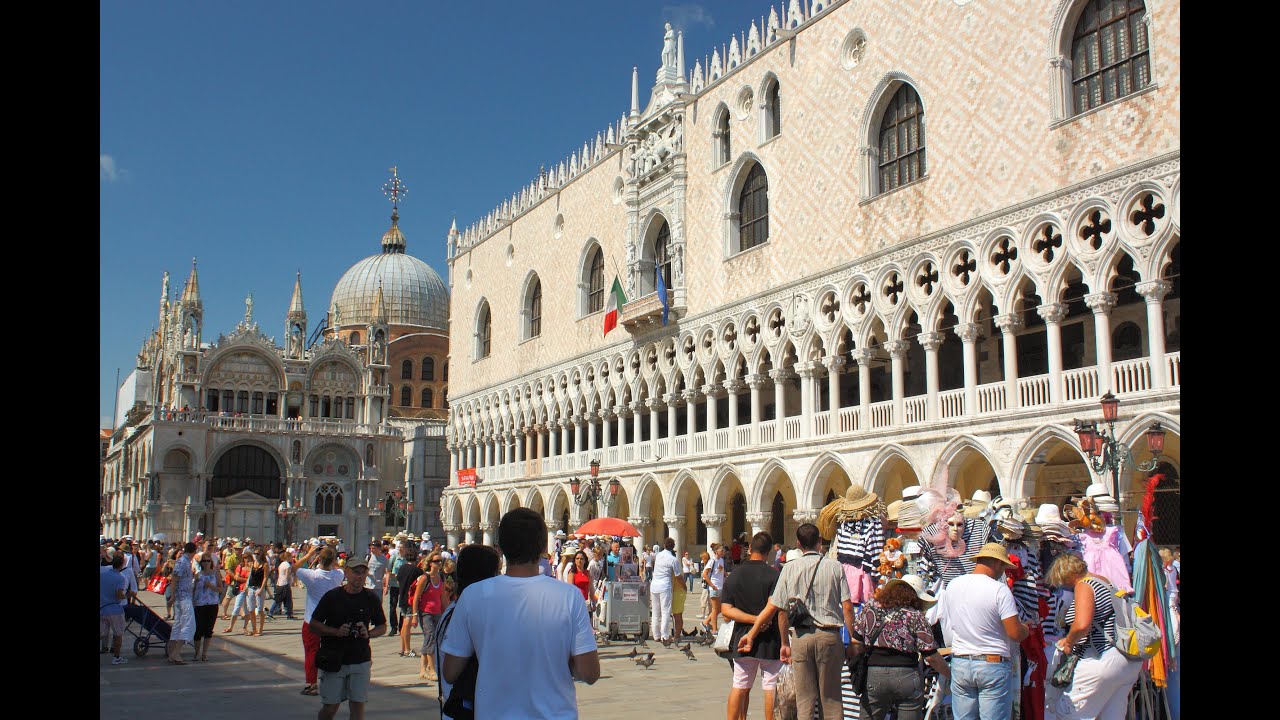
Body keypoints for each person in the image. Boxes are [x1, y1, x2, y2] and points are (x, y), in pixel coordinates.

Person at [442, 508, 600, 718]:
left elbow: (450, 672)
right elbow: (589, 673)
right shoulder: (569, 597)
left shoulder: (473, 596)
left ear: (501, 547)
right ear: (544, 546)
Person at [738, 523, 854, 720]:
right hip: (829, 637)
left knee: (805, 700)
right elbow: (848, 607)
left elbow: (779, 609)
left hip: (801, 637)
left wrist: (781, 642)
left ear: (798, 544)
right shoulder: (835, 567)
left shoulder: (789, 568)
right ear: (819, 541)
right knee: (832, 699)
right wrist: (853, 640)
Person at [935, 542, 1030, 720]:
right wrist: (1026, 629)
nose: (1003, 572)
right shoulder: (999, 590)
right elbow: (1015, 633)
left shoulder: (953, 585)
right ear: (996, 563)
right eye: (1003, 566)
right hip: (991, 663)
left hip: (961, 661)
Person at [1043, 554, 1143, 720]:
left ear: (1065, 575)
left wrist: (1068, 641)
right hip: (1128, 659)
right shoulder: (1105, 581)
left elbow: (1082, 624)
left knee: (1069, 713)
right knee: (1112, 715)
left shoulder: (1084, 585)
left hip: (1103, 658)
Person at [849, 576, 950, 720]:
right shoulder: (915, 616)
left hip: (875, 673)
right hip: (907, 675)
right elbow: (930, 656)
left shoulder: (870, 608)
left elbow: (856, 643)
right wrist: (949, 674)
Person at [310, 555, 388, 720]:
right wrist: (335, 631)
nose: (359, 576)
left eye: (362, 572)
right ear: (346, 573)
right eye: (355, 572)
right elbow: (314, 624)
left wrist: (369, 633)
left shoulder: (371, 598)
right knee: (330, 708)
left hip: (360, 659)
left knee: (357, 707)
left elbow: (382, 626)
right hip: (334, 658)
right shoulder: (332, 597)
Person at [434, 544, 501, 720]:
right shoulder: (464, 613)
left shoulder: (454, 610)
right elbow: (450, 672)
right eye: (496, 573)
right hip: (465, 707)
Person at [721, 532, 781, 720]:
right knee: (771, 687)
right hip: (770, 639)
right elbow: (774, 606)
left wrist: (751, 620)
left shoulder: (735, 574)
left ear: (750, 549)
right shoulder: (774, 575)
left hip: (741, 637)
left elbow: (726, 610)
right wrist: (760, 620)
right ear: (768, 551)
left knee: (739, 685)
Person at [297, 543, 346, 697]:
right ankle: (333, 680)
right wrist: (332, 558)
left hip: (312, 621)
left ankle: (311, 684)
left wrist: (309, 554)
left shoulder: (312, 575)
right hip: (330, 621)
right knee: (331, 650)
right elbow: (339, 568)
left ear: (318, 558)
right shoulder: (337, 575)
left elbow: (293, 568)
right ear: (333, 560)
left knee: (311, 652)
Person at [412, 551, 450, 682]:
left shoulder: (441, 577)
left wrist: (447, 613)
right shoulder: (424, 578)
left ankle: (423, 670)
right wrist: (414, 615)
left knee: (434, 638)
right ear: (430, 563)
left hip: (437, 612)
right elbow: (416, 597)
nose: (439, 563)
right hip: (425, 612)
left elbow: (443, 597)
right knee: (430, 637)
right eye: (436, 561)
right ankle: (432, 669)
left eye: (440, 561)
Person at [168, 542, 198, 664]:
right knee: (188, 624)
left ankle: (172, 654)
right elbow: (175, 578)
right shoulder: (183, 561)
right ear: (193, 552)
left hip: (184, 596)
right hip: (183, 597)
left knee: (179, 624)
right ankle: (175, 653)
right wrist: (173, 595)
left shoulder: (184, 561)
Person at [193, 554, 224, 661]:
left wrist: (211, 586)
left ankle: (204, 654)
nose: (206, 563)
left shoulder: (215, 574)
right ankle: (197, 653)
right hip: (200, 604)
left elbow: (220, 589)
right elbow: (193, 590)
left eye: (208, 561)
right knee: (198, 630)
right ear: (201, 563)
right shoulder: (198, 574)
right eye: (204, 561)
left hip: (212, 604)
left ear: (211, 563)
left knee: (208, 630)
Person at [100, 551, 129, 665]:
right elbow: (119, 594)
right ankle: (116, 657)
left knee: (102, 633)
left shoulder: (103, 574)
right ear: (122, 565)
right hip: (115, 609)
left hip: (102, 608)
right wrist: (127, 595)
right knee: (118, 634)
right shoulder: (120, 578)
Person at [649, 538, 680, 642]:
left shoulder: (658, 555)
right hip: (665, 586)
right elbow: (678, 575)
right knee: (665, 611)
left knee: (655, 611)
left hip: (654, 585)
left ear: (664, 545)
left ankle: (656, 635)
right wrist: (683, 585)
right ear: (673, 547)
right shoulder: (673, 559)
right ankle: (665, 636)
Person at [396, 546, 424, 657]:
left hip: (402, 597)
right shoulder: (417, 570)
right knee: (407, 624)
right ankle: (407, 650)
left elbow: (398, 581)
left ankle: (403, 648)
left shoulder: (402, 568)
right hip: (410, 599)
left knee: (404, 624)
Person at [702, 543, 727, 633]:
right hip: (714, 587)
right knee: (715, 609)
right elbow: (705, 574)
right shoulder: (712, 561)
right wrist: (712, 585)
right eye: (721, 550)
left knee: (719, 609)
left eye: (723, 550)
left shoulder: (721, 560)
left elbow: (722, 572)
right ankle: (714, 630)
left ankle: (705, 622)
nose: (723, 552)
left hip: (720, 587)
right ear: (716, 552)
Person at [267, 548, 297, 620]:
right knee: (284, 600)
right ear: (288, 557)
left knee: (282, 599)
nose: (291, 558)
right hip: (285, 584)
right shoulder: (287, 565)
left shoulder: (281, 564)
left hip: (279, 583)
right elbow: (287, 576)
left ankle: (289, 614)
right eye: (291, 557)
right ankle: (271, 612)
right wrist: (291, 582)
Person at [385, 542, 407, 636]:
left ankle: (402, 626)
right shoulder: (393, 557)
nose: (400, 549)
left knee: (402, 606)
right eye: (399, 547)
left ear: (406, 549)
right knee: (392, 605)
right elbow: (388, 571)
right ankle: (393, 627)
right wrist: (386, 585)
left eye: (402, 547)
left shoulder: (407, 559)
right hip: (394, 584)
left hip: (404, 585)